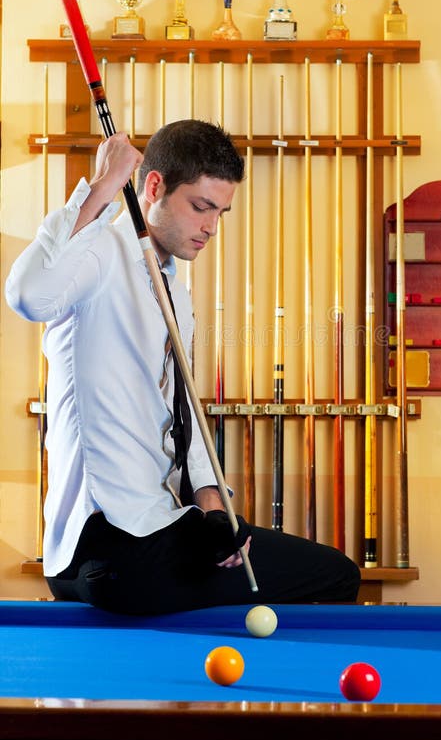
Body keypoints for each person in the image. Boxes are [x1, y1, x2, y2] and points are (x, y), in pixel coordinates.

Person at [6, 119, 360, 615]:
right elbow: (28, 294)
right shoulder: (101, 252)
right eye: (200, 206)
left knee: (276, 567)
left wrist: (212, 499)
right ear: (153, 187)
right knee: (336, 575)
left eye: (221, 212)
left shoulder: (173, 286)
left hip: (152, 529)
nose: (211, 227)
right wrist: (105, 184)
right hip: (109, 545)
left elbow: (184, 408)